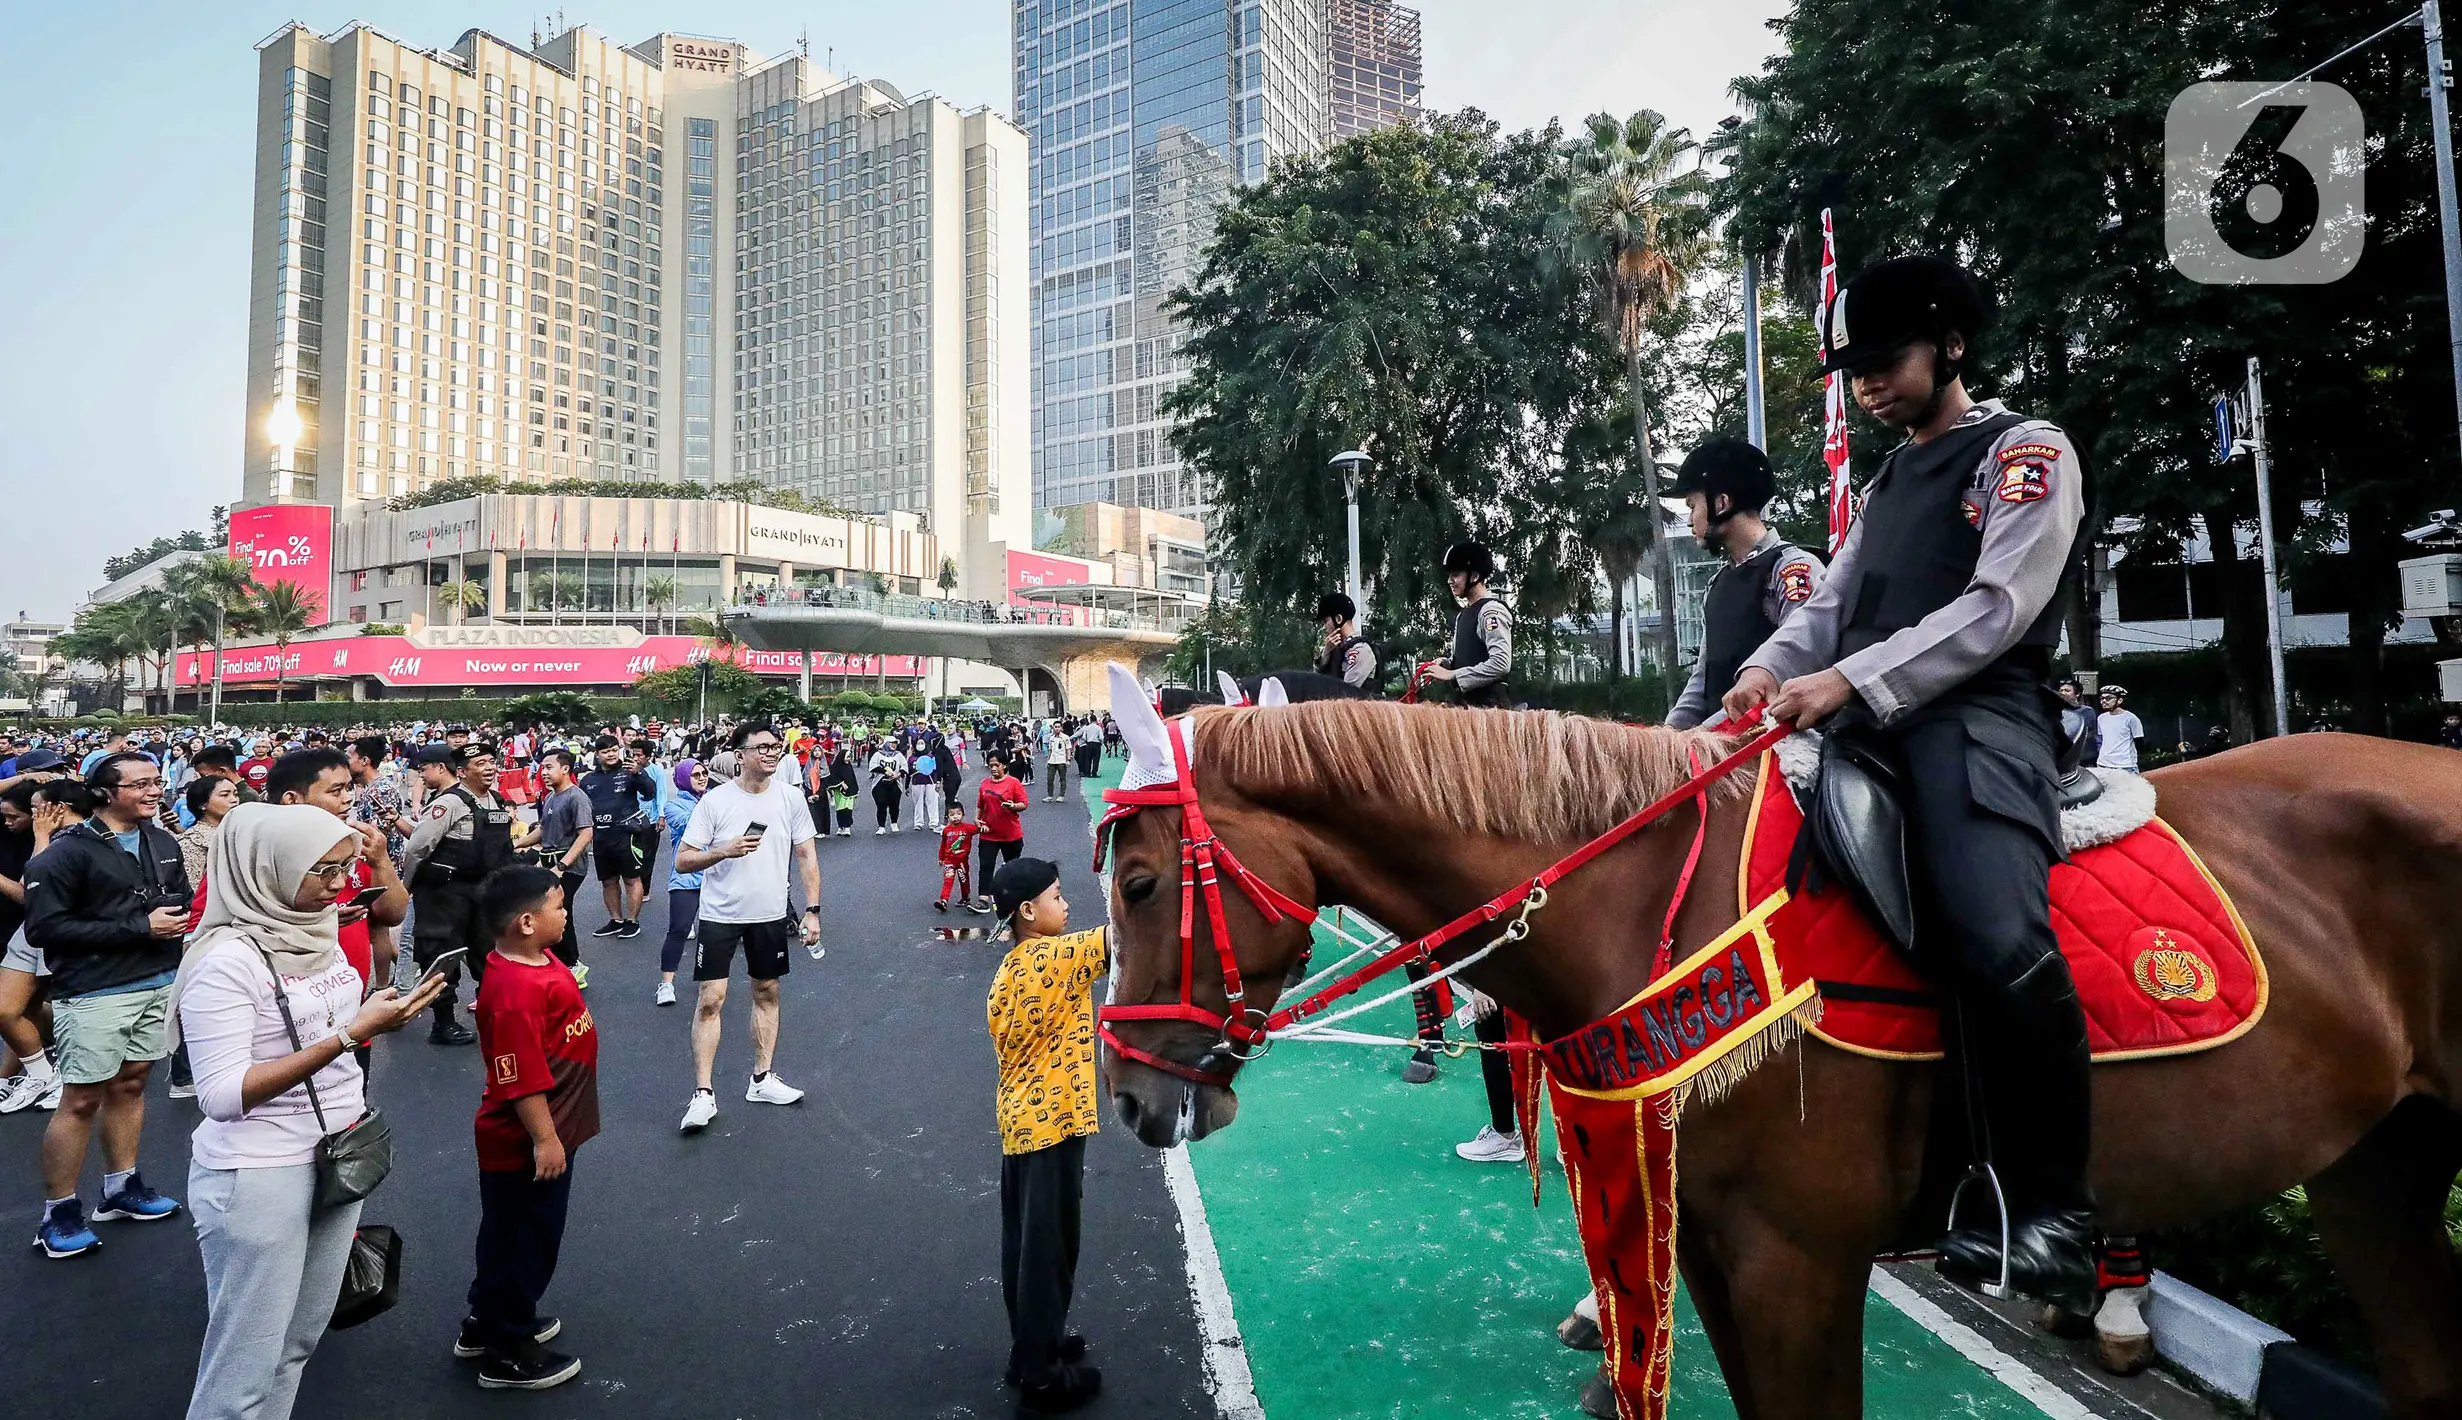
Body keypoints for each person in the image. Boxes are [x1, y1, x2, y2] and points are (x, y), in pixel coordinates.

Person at [1720, 254, 2098, 1311]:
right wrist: (1764, 672)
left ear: (1951, 346)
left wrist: (1843, 680)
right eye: (1853, 370)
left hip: (1977, 723)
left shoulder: (2022, 452)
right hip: (1865, 724)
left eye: (1883, 362)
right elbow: (1831, 604)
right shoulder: (1886, 479)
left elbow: (1996, 607)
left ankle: (2055, 1211)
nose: (1866, 385)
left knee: (1989, 928)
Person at [175, 803, 443, 1420]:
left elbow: (325, 1021)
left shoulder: (316, 930)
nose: (340, 887)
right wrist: (351, 1037)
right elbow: (221, 1094)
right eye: (324, 871)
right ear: (267, 870)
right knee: (240, 1370)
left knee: (296, 1345)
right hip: (259, 1172)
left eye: (346, 869)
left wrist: (381, 1009)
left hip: (334, 1154)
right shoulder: (226, 962)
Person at [24, 751, 192, 1256]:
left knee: (133, 1084)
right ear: (104, 793)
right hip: (96, 990)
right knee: (79, 1100)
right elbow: (44, 929)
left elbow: (179, 898)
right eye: (139, 784)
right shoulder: (65, 853)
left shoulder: (162, 840)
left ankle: (120, 1189)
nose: (153, 790)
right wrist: (141, 927)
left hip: (156, 981)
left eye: (156, 781)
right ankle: (58, 1214)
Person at [460, 866, 597, 1391]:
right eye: (558, 907)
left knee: (506, 1232)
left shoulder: (537, 960)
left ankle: (484, 1320)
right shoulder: (515, 988)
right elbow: (516, 1079)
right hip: (528, 1140)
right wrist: (545, 1138)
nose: (565, 914)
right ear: (524, 921)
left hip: (550, 1127)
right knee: (528, 1239)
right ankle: (507, 1349)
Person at [984, 857, 1103, 1413]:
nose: (1068, 904)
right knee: (1048, 1250)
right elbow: (1125, 933)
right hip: (1053, 1124)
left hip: (1022, 1124)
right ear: (1028, 911)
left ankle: (1035, 1344)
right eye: (1058, 896)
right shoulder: (1056, 958)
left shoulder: (1011, 967)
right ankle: (1040, 1374)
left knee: (1028, 1245)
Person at [672, 723, 822, 1132]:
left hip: (770, 914)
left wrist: (813, 909)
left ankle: (762, 1079)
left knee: (767, 992)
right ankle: (703, 1094)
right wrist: (725, 850)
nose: (772, 753)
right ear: (740, 754)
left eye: (776, 746)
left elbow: (806, 855)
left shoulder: (790, 798)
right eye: (762, 747)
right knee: (710, 999)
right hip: (720, 915)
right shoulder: (716, 802)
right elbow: (683, 860)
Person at [1662, 439, 1826, 730]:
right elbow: (1703, 678)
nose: (1689, 520)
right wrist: (1668, 736)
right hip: (1721, 748)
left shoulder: (1791, 569)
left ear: (1722, 503)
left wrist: (1703, 737)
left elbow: (1804, 659)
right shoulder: (1717, 584)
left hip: (1781, 746)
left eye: (1692, 506)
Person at [401, 744, 515, 1046]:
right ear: (462, 772)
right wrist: (406, 887)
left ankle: (494, 1014)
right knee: (441, 956)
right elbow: (417, 847)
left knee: (489, 954)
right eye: (480, 763)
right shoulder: (450, 803)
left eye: (492, 762)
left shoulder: (496, 801)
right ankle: (443, 1024)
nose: (489, 768)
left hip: (482, 892)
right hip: (444, 895)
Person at [0, 779, 77, 1115]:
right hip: (27, 931)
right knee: (12, 1008)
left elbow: (34, 890)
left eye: (33, 810)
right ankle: (41, 1073)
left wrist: (42, 835)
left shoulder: (77, 838)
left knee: (59, 1007)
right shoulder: (32, 835)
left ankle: (61, 1073)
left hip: (60, 933)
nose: (31, 817)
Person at [518, 749, 593, 981]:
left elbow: (586, 833)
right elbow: (543, 829)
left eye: (549, 767)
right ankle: (562, 960)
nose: (544, 772)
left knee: (559, 910)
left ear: (566, 769)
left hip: (569, 867)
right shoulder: (551, 797)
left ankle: (572, 965)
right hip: (551, 865)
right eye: (542, 768)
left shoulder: (576, 797)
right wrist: (514, 844)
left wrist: (561, 866)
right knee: (551, 910)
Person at [578, 737, 658, 940]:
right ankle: (616, 920)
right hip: (601, 838)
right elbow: (581, 808)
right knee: (608, 881)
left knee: (632, 880)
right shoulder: (588, 780)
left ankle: (632, 921)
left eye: (614, 750)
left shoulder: (631, 771)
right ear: (597, 754)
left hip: (627, 836)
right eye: (605, 751)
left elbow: (650, 793)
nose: (611, 754)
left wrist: (639, 774)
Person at [1421, 541, 1512, 707]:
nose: (1450, 581)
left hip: (1490, 711)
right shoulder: (1463, 615)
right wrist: (1446, 663)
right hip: (1466, 707)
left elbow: (1501, 663)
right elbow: (1469, 659)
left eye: (1455, 575)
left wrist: (1453, 674)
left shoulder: (1490, 611)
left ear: (1475, 576)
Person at [656, 760, 708, 1007]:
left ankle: (708, 981)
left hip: (714, 877)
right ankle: (666, 984)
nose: (701, 778)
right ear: (684, 779)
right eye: (695, 775)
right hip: (686, 876)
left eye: (704, 774)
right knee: (678, 929)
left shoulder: (712, 800)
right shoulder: (673, 805)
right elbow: (690, 824)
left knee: (713, 934)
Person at [975, 753, 1029, 913]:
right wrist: (977, 820)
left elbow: (1024, 804)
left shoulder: (1013, 783)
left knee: (1011, 867)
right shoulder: (984, 784)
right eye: (990, 765)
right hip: (988, 833)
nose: (993, 768)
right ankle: (983, 899)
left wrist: (1013, 806)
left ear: (1004, 765)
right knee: (986, 866)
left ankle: (1012, 898)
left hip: (1010, 834)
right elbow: (980, 805)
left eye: (996, 765)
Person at [1314, 592, 1377, 690]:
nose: (1324, 627)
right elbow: (1316, 683)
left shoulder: (1360, 650)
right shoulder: (1335, 649)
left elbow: (1345, 693)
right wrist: (1325, 655)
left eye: (1326, 621)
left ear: (1338, 619)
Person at [935, 803, 982, 913]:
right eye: (952, 815)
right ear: (948, 817)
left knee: (964, 880)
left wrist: (983, 826)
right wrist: (941, 858)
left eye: (958, 814)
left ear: (963, 815)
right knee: (948, 880)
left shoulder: (967, 828)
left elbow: (979, 829)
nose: (955, 817)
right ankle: (944, 901)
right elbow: (943, 844)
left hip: (962, 860)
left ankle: (965, 898)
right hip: (949, 860)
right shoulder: (947, 830)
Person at [2094, 685, 2145, 773]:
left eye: (2108, 698)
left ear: (2120, 700)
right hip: (2103, 764)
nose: (2104, 701)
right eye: (2102, 698)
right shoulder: (2101, 718)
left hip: (2125, 765)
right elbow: (2101, 740)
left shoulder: (2131, 718)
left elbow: (2139, 742)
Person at [2055, 679, 2101, 770]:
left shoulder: (2086, 711)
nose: (2063, 693)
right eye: (2061, 690)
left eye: (2067, 691)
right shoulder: (2056, 711)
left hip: (2084, 757)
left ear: (2077, 694)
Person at [866, 738, 908, 835]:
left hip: (895, 783)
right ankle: (881, 826)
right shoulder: (878, 754)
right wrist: (885, 771)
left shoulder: (898, 755)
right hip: (880, 783)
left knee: (895, 804)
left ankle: (894, 823)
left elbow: (904, 767)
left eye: (895, 743)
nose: (894, 745)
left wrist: (899, 774)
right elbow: (872, 766)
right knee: (881, 805)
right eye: (892, 743)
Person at [908, 742, 945, 832]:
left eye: (922, 743)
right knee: (918, 803)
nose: (920, 745)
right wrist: (906, 786)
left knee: (932, 801)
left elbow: (937, 770)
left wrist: (938, 781)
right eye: (918, 743)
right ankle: (918, 823)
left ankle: (933, 822)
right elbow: (909, 772)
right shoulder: (911, 758)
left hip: (930, 781)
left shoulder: (932, 756)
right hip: (917, 782)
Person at [1042, 723, 1070, 802]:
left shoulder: (1065, 737)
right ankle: (1050, 796)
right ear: (1053, 728)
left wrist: (1068, 760)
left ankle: (1061, 796)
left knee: (1062, 779)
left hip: (1061, 761)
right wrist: (1048, 760)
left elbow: (1068, 749)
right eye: (1055, 727)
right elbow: (1050, 750)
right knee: (1050, 779)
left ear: (1061, 728)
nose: (1057, 728)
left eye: (1058, 727)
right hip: (1052, 761)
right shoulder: (1051, 738)